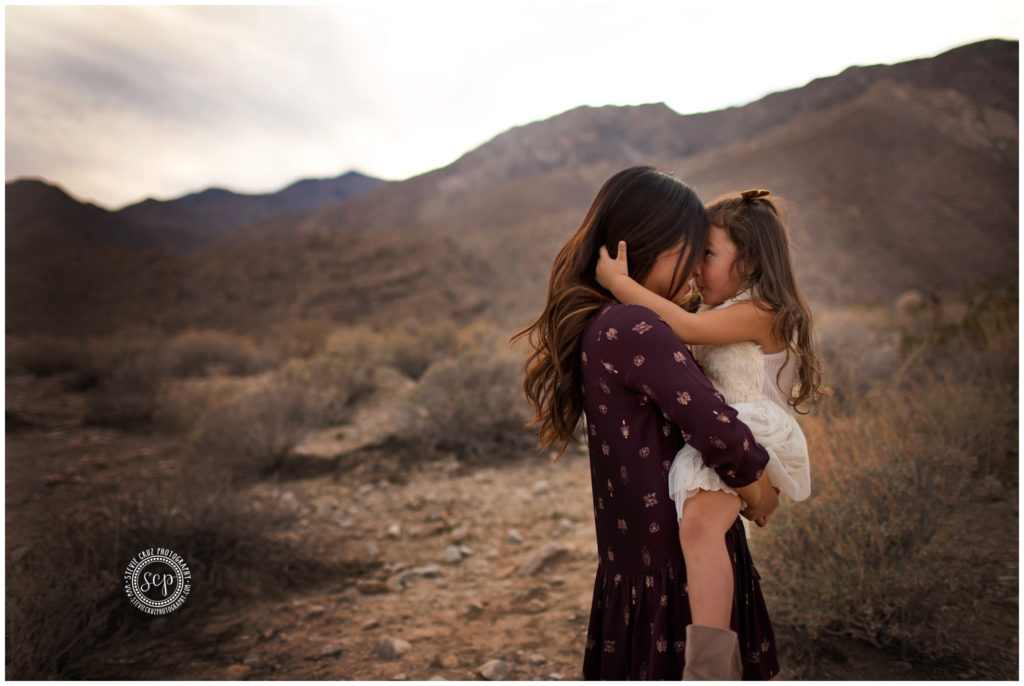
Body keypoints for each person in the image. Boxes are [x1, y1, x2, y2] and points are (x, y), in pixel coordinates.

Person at [514, 167, 781, 680]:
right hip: (673, 567)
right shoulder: (634, 325)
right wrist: (761, 493)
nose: (695, 268)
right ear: (653, 242)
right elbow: (721, 432)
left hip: (640, 557)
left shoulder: (606, 321)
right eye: (691, 249)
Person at [595, 189, 823, 670]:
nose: (696, 268)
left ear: (752, 260)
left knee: (698, 531)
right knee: (703, 531)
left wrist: (621, 284)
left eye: (708, 254)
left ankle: (709, 666)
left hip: (752, 430)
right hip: (730, 427)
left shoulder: (761, 310)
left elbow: (680, 328)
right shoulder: (721, 310)